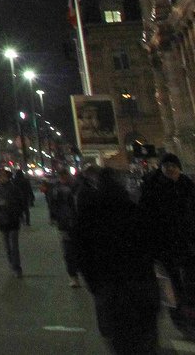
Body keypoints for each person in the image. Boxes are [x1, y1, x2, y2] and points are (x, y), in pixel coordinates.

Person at [76, 167, 160, 354]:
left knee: (119, 338)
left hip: (109, 286)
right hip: (139, 284)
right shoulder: (134, 209)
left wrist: (94, 283)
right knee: (145, 338)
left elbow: (81, 252)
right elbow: (152, 245)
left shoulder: (90, 215)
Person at [138, 152, 195, 327]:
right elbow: (145, 216)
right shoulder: (152, 187)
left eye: (173, 166)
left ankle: (189, 307)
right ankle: (179, 313)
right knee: (172, 279)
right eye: (166, 166)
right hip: (164, 242)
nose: (170, 169)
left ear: (179, 168)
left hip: (186, 239)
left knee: (190, 275)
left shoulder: (187, 185)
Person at [48, 170, 82, 287]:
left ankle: (75, 276)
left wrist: (53, 217)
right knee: (69, 251)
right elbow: (53, 205)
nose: (63, 179)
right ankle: (74, 276)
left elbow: (52, 205)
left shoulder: (74, 188)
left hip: (71, 223)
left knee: (72, 250)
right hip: (66, 224)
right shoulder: (61, 189)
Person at [0, 168, 25, 275]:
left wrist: (15, 210)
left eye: (3, 176)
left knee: (13, 245)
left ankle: (16, 267)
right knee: (7, 246)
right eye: (0, 176)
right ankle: (12, 264)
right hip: (2, 220)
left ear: (8, 177)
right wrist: (0, 204)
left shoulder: (14, 189)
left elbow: (21, 203)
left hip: (13, 219)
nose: (1, 178)